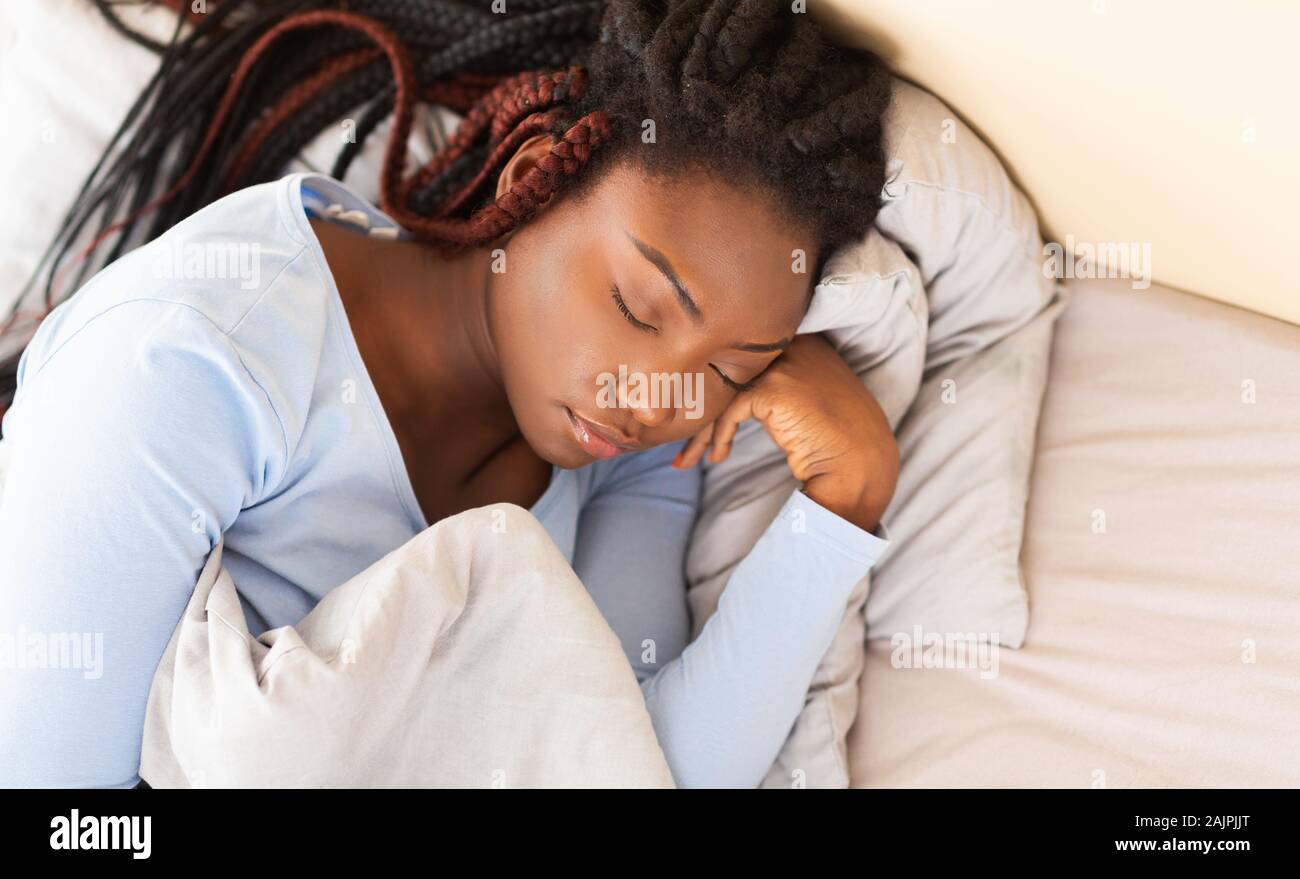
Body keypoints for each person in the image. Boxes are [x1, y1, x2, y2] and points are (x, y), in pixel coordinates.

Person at [0, 0, 899, 788]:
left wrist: (843, 501)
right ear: (534, 178)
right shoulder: (194, 357)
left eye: (730, 369)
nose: (661, 393)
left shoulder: (628, 457)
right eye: (639, 306)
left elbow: (642, 763)